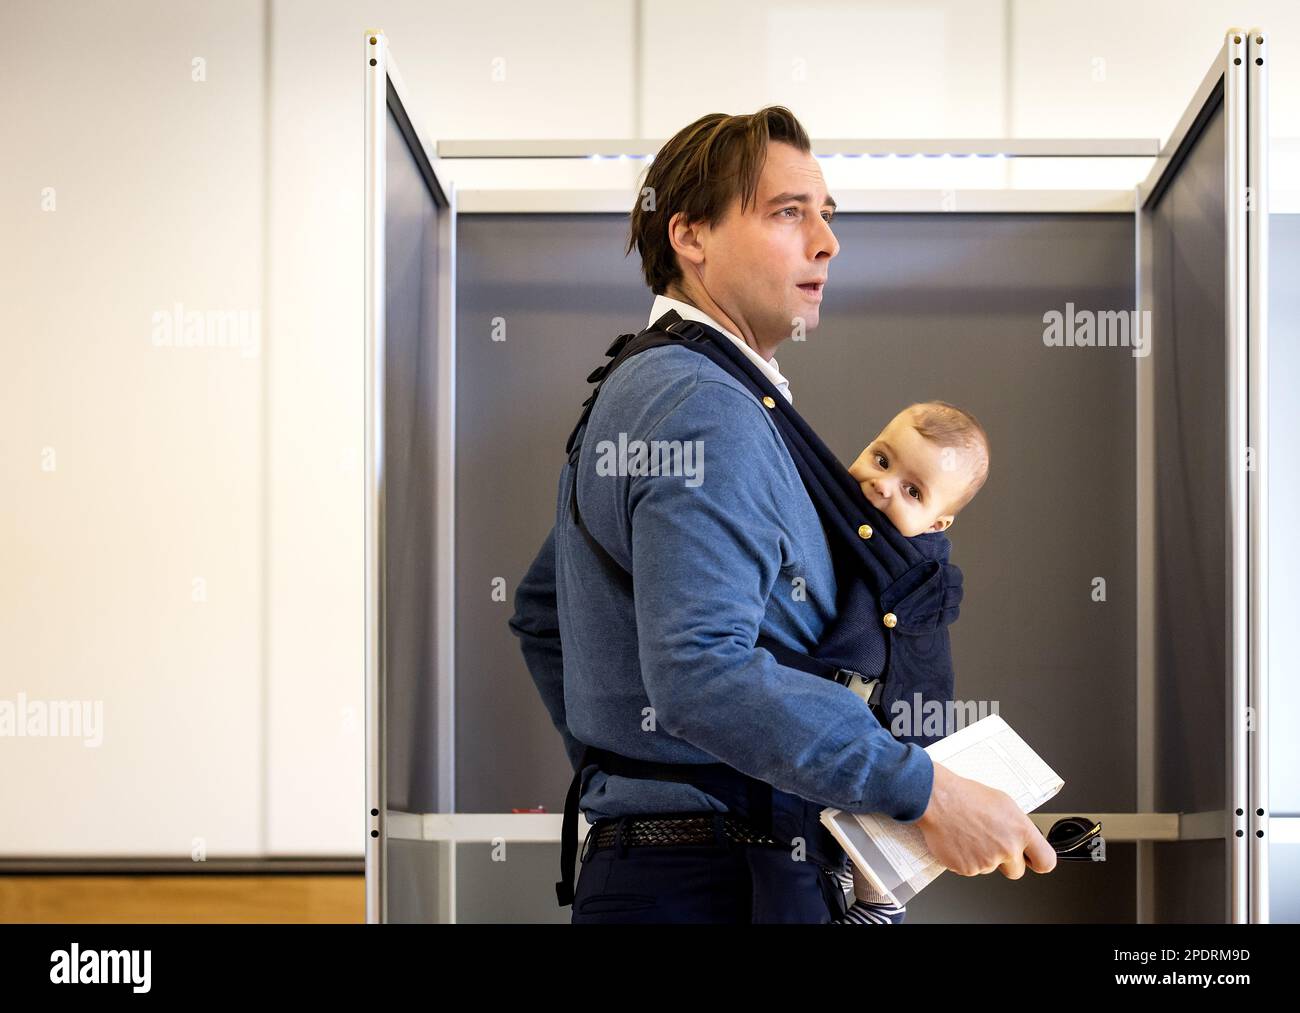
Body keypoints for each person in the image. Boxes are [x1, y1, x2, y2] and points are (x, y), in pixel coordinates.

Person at [509, 105, 1056, 924]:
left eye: (827, 216)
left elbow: (544, 613)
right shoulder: (704, 405)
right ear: (690, 236)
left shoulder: (645, 387)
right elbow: (700, 670)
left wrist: (637, 771)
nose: (827, 242)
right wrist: (926, 792)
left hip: (673, 875)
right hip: (722, 883)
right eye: (788, 213)